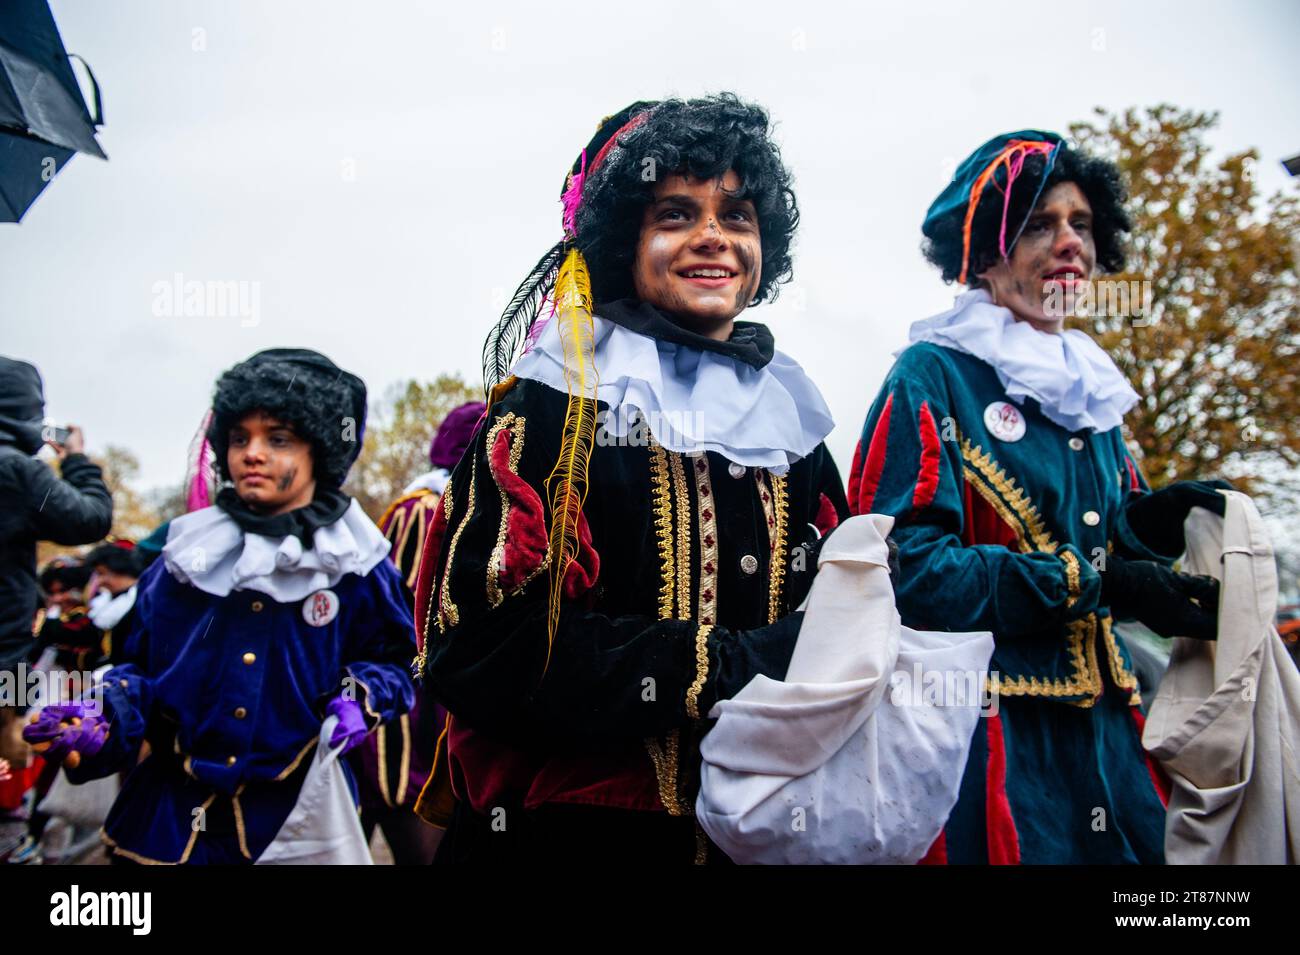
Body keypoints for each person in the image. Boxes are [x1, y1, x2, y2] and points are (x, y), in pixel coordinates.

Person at [414, 95, 848, 863]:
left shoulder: (793, 422)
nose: (713, 236)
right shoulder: (554, 407)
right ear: (625, 240)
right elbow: (481, 649)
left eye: (738, 215)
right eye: (677, 213)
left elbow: (836, 603)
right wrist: (725, 666)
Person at [848, 130, 1227, 864]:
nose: (1068, 244)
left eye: (1081, 225)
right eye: (1038, 224)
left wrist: (1148, 525)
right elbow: (907, 573)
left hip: (1114, 737)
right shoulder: (932, 375)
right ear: (988, 250)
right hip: (986, 738)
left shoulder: (1092, 389)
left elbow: (1109, 549)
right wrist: (1090, 582)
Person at [23, 349, 416, 864]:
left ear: (318, 448)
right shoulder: (185, 558)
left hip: (297, 821)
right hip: (168, 823)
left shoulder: (356, 564)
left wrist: (361, 696)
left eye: (278, 439)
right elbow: (139, 672)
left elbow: (396, 661)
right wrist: (103, 719)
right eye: (239, 438)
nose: (252, 453)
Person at [351, 402, 485, 865]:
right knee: (397, 791)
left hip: (440, 686)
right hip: (411, 689)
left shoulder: (465, 503)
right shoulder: (423, 510)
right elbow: (407, 610)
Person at [0, 357, 112, 676]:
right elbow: (91, 518)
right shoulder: (16, 471)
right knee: (13, 720)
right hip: (5, 660)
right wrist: (76, 459)